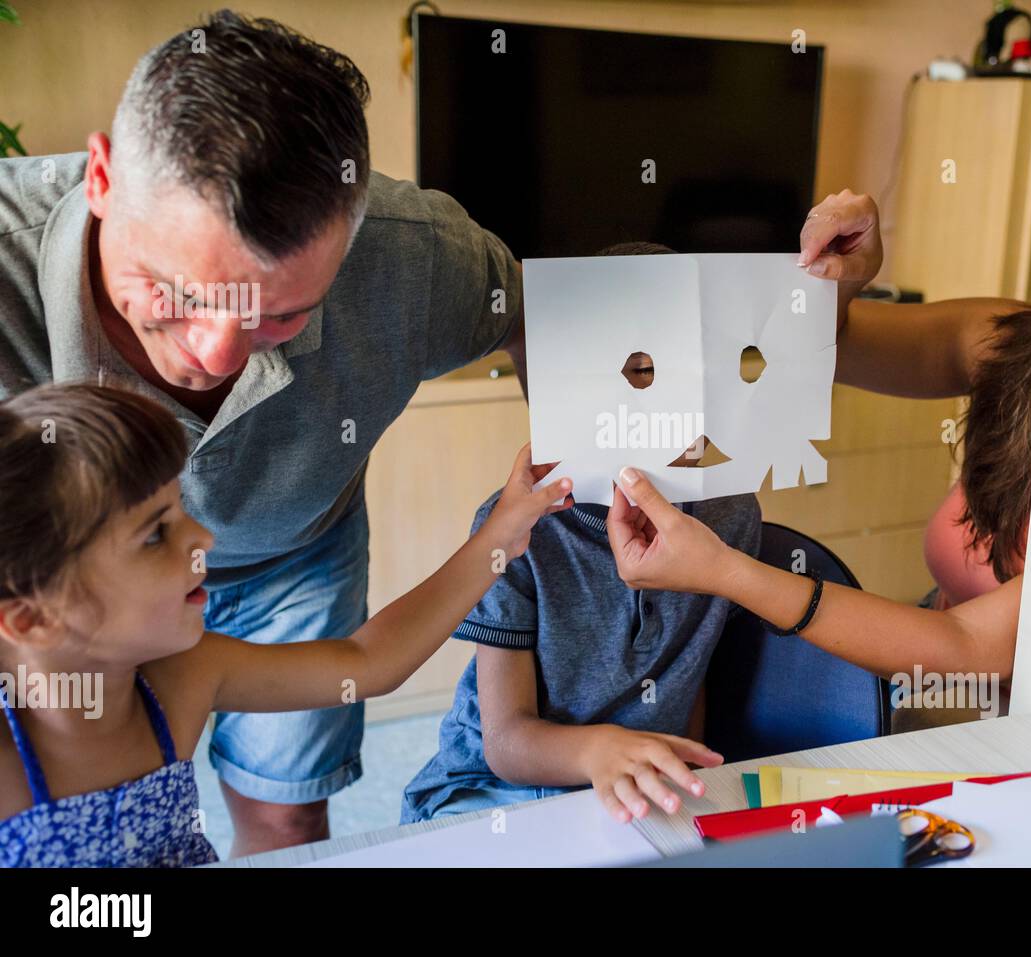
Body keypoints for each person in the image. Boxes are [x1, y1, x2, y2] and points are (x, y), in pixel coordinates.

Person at [0, 11, 529, 854]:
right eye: (172, 293)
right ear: (101, 178)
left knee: (288, 816)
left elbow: (370, 658)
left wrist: (520, 527)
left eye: (280, 315)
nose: (212, 355)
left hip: (299, 552)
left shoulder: (417, 255)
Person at [603, 162, 1031, 712]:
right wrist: (842, 279)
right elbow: (830, 343)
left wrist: (723, 569)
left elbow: (969, 644)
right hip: (932, 709)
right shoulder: (1020, 348)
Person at [0, 383, 570, 867]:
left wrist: (500, 535)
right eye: (154, 533)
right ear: (31, 617)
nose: (203, 539)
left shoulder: (184, 674)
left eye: (181, 513)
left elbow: (369, 663)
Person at [401, 243, 762, 825]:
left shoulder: (732, 514)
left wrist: (686, 772)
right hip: (493, 789)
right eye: (639, 370)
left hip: (638, 784)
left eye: (691, 365)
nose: (665, 391)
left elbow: (691, 670)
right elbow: (507, 743)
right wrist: (598, 751)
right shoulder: (521, 530)